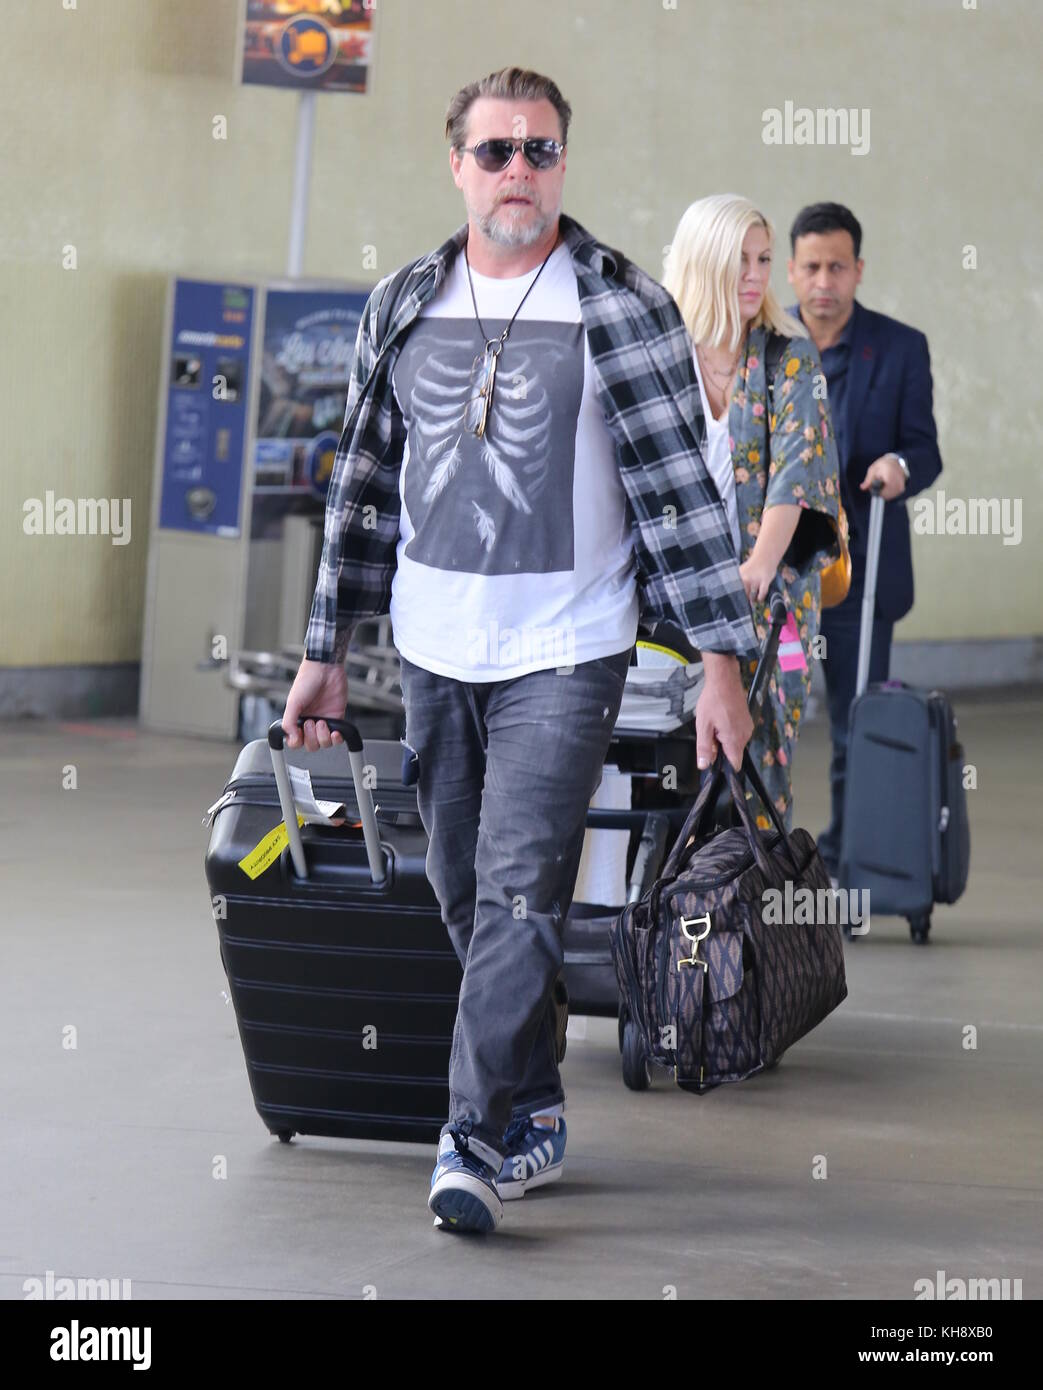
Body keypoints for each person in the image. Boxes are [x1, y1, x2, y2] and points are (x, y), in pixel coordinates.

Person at [279, 68, 759, 1235]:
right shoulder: (401, 302)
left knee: (517, 889)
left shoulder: (618, 305)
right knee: (462, 890)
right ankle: (534, 1097)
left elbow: (685, 504)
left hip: (569, 644)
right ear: (455, 163)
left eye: (539, 151)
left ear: (562, 163)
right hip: (435, 642)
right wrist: (324, 650)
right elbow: (360, 495)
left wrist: (721, 663)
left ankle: (471, 1136)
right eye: (494, 152)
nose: (518, 173)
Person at [663, 194, 842, 830]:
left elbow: (797, 472)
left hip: (776, 608)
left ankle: (749, 911)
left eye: (764, 259)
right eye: (739, 259)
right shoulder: (661, 358)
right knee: (662, 763)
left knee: (762, 757)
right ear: (702, 263)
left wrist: (760, 564)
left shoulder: (788, 356)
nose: (756, 275)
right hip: (666, 599)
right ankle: (652, 915)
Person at [786, 202, 943, 877]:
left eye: (837, 267)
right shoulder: (764, 345)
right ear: (791, 273)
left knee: (855, 726)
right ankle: (759, 865)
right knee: (772, 727)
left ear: (858, 270)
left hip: (859, 574)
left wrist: (897, 468)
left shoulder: (899, 346)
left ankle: (850, 863)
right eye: (811, 267)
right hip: (779, 577)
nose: (824, 281)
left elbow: (924, 450)